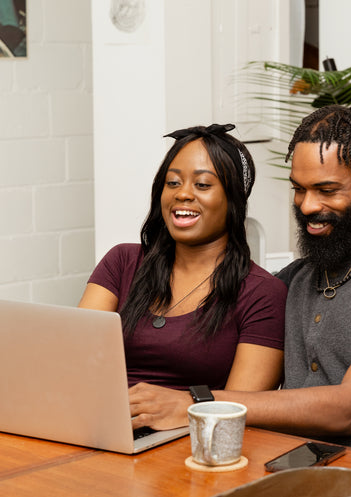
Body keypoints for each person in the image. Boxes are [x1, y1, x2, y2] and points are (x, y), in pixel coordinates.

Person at [129, 107, 351, 464]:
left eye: (326, 190)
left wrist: (193, 402)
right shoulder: (293, 280)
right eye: (299, 189)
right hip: (287, 468)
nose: (307, 206)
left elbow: (349, 408)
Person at [78, 124, 286, 394]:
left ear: (233, 199)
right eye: (173, 182)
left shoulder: (262, 293)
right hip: (104, 421)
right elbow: (77, 358)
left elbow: (239, 411)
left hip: (194, 432)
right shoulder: (122, 262)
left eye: (202, 184)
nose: (183, 194)